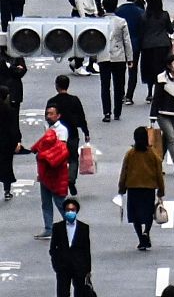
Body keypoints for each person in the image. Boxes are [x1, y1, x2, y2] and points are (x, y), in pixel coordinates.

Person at [117, 125, 165, 251]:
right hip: (148, 188)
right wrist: (161, 189)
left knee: (135, 215)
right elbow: (158, 173)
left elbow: (124, 172)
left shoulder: (130, 154)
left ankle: (140, 238)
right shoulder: (152, 154)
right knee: (148, 212)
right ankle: (146, 232)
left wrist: (121, 188)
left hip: (133, 188)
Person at [31, 104, 70, 238]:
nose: (48, 116)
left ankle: (71, 223)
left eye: (51, 113)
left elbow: (61, 151)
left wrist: (46, 157)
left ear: (58, 115)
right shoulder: (47, 128)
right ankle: (49, 228)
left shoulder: (62, 130)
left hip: (57, 171)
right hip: (45, 171)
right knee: (46, 201)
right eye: (47, 113)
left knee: (59, 201)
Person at [96, 0, 133, 124]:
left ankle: (106, 112)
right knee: (119, 85)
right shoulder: (121, 21)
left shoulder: (99, 21)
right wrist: (130, 58)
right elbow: (126, 41)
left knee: (105, 86)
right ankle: (117, 111)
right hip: (119, 56)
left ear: (104, 7)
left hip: (103, 55)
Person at [49, 196, 91, 297]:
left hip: (79, 267)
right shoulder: (58, 227)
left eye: (72, 210)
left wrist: (88, 270)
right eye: (68, 210)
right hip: (63, 267)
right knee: (62, 293)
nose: (70, 212)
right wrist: (56, 264)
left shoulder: (84, 228)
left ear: (76, 211)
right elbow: (53, 248)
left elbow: (86, 249)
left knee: (80, 292)